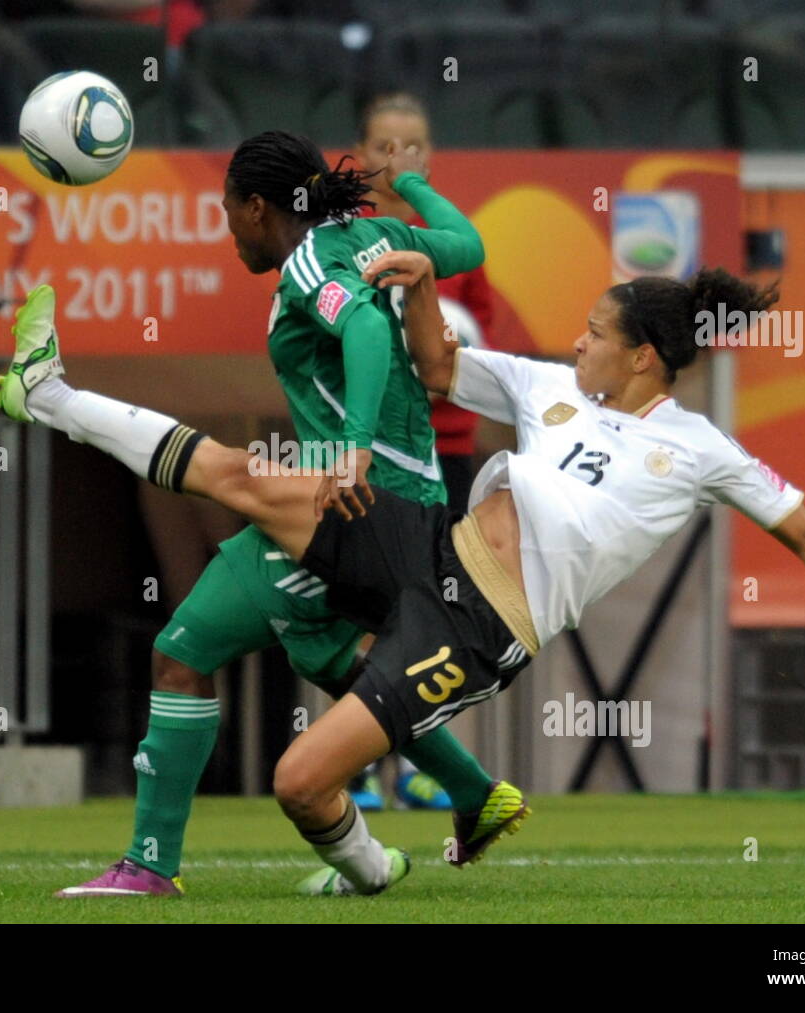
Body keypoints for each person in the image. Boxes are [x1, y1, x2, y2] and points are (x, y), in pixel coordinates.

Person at [0, 250, 805, 895]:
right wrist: (423, 285)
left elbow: (801, 523)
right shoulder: (550, 386)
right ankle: (52, 393)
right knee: (252, 477)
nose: (577, 343)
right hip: (431, 546)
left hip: (479, 629)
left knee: (299, 783)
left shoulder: (702, 449)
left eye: (595, 333)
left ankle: (374, 864)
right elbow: (437, 364)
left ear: (643, 356)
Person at [42, 131, 524, 898]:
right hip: (413, 501)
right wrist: (417, 188)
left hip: (359, 503)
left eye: (229, 212)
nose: (229, 229)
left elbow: (364, 326)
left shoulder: (307, 265)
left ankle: (150, 862)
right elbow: (466, 243)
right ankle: (470, 795)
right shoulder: (374, 232)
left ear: (258, 207)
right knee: (328, 655)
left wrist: (355, 447)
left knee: (182, 648)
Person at [347, 91, 500, 811]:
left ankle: (420, 766)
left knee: (433, 612)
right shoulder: (340, 237)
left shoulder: (454, 244)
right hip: (369, 455)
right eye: (384, 146)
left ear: (429, 158)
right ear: (359, 151)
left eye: (411, 148)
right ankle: (349, 764)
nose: (396, 160)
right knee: (356, 608)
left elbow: (474, 356)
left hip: (447, 455)